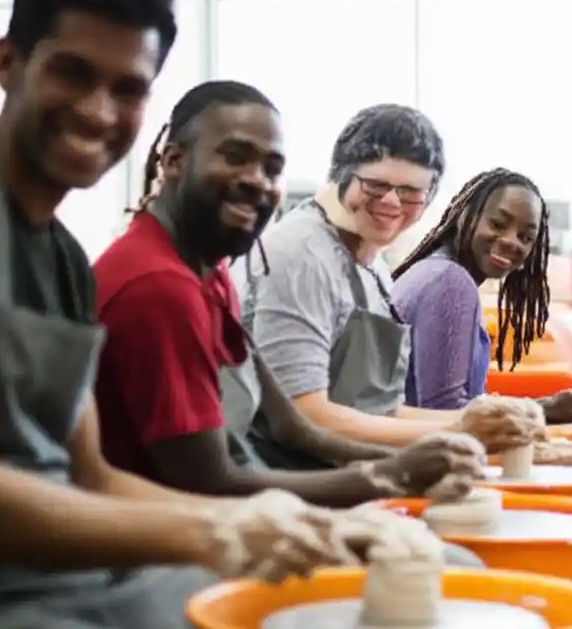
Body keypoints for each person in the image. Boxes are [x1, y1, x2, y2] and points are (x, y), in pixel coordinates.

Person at [0, 0, 387, 628]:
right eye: (72, 73)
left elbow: (93, 478)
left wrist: (285, 519)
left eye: (128, 89)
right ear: (7, 63)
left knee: (353, 593)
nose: (98, 111)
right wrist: (215, 531)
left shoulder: (61, 258)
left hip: (56, 574)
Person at [93, 80, 487, 508]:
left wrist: (407, 464)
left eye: (272, 168)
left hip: (249, 489)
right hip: (172, 524)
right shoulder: (160, 285)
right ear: (173, 160)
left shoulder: (208, 272)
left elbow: (292, 426)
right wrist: (391, 475)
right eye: (235, 157)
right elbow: (212, 482)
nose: (256, 181)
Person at [242, 105, 547, 462]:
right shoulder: (301, 256)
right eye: (376, 185)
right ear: (339, 174)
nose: (391, 202)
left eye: (411, 192)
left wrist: (489, 422)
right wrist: (458, 429)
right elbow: (304, 415)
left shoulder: (373, 269)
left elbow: (378, 411)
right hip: (282, 483)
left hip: (344, 471)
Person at [390, 168, 572, 424]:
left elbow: (464, 404)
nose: (511, 242)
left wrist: (564, 400)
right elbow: (446, 414)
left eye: (526, 237)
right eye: (497, 224)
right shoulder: (449, 282)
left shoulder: (437, 271)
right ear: (465, 215)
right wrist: (549, 410)